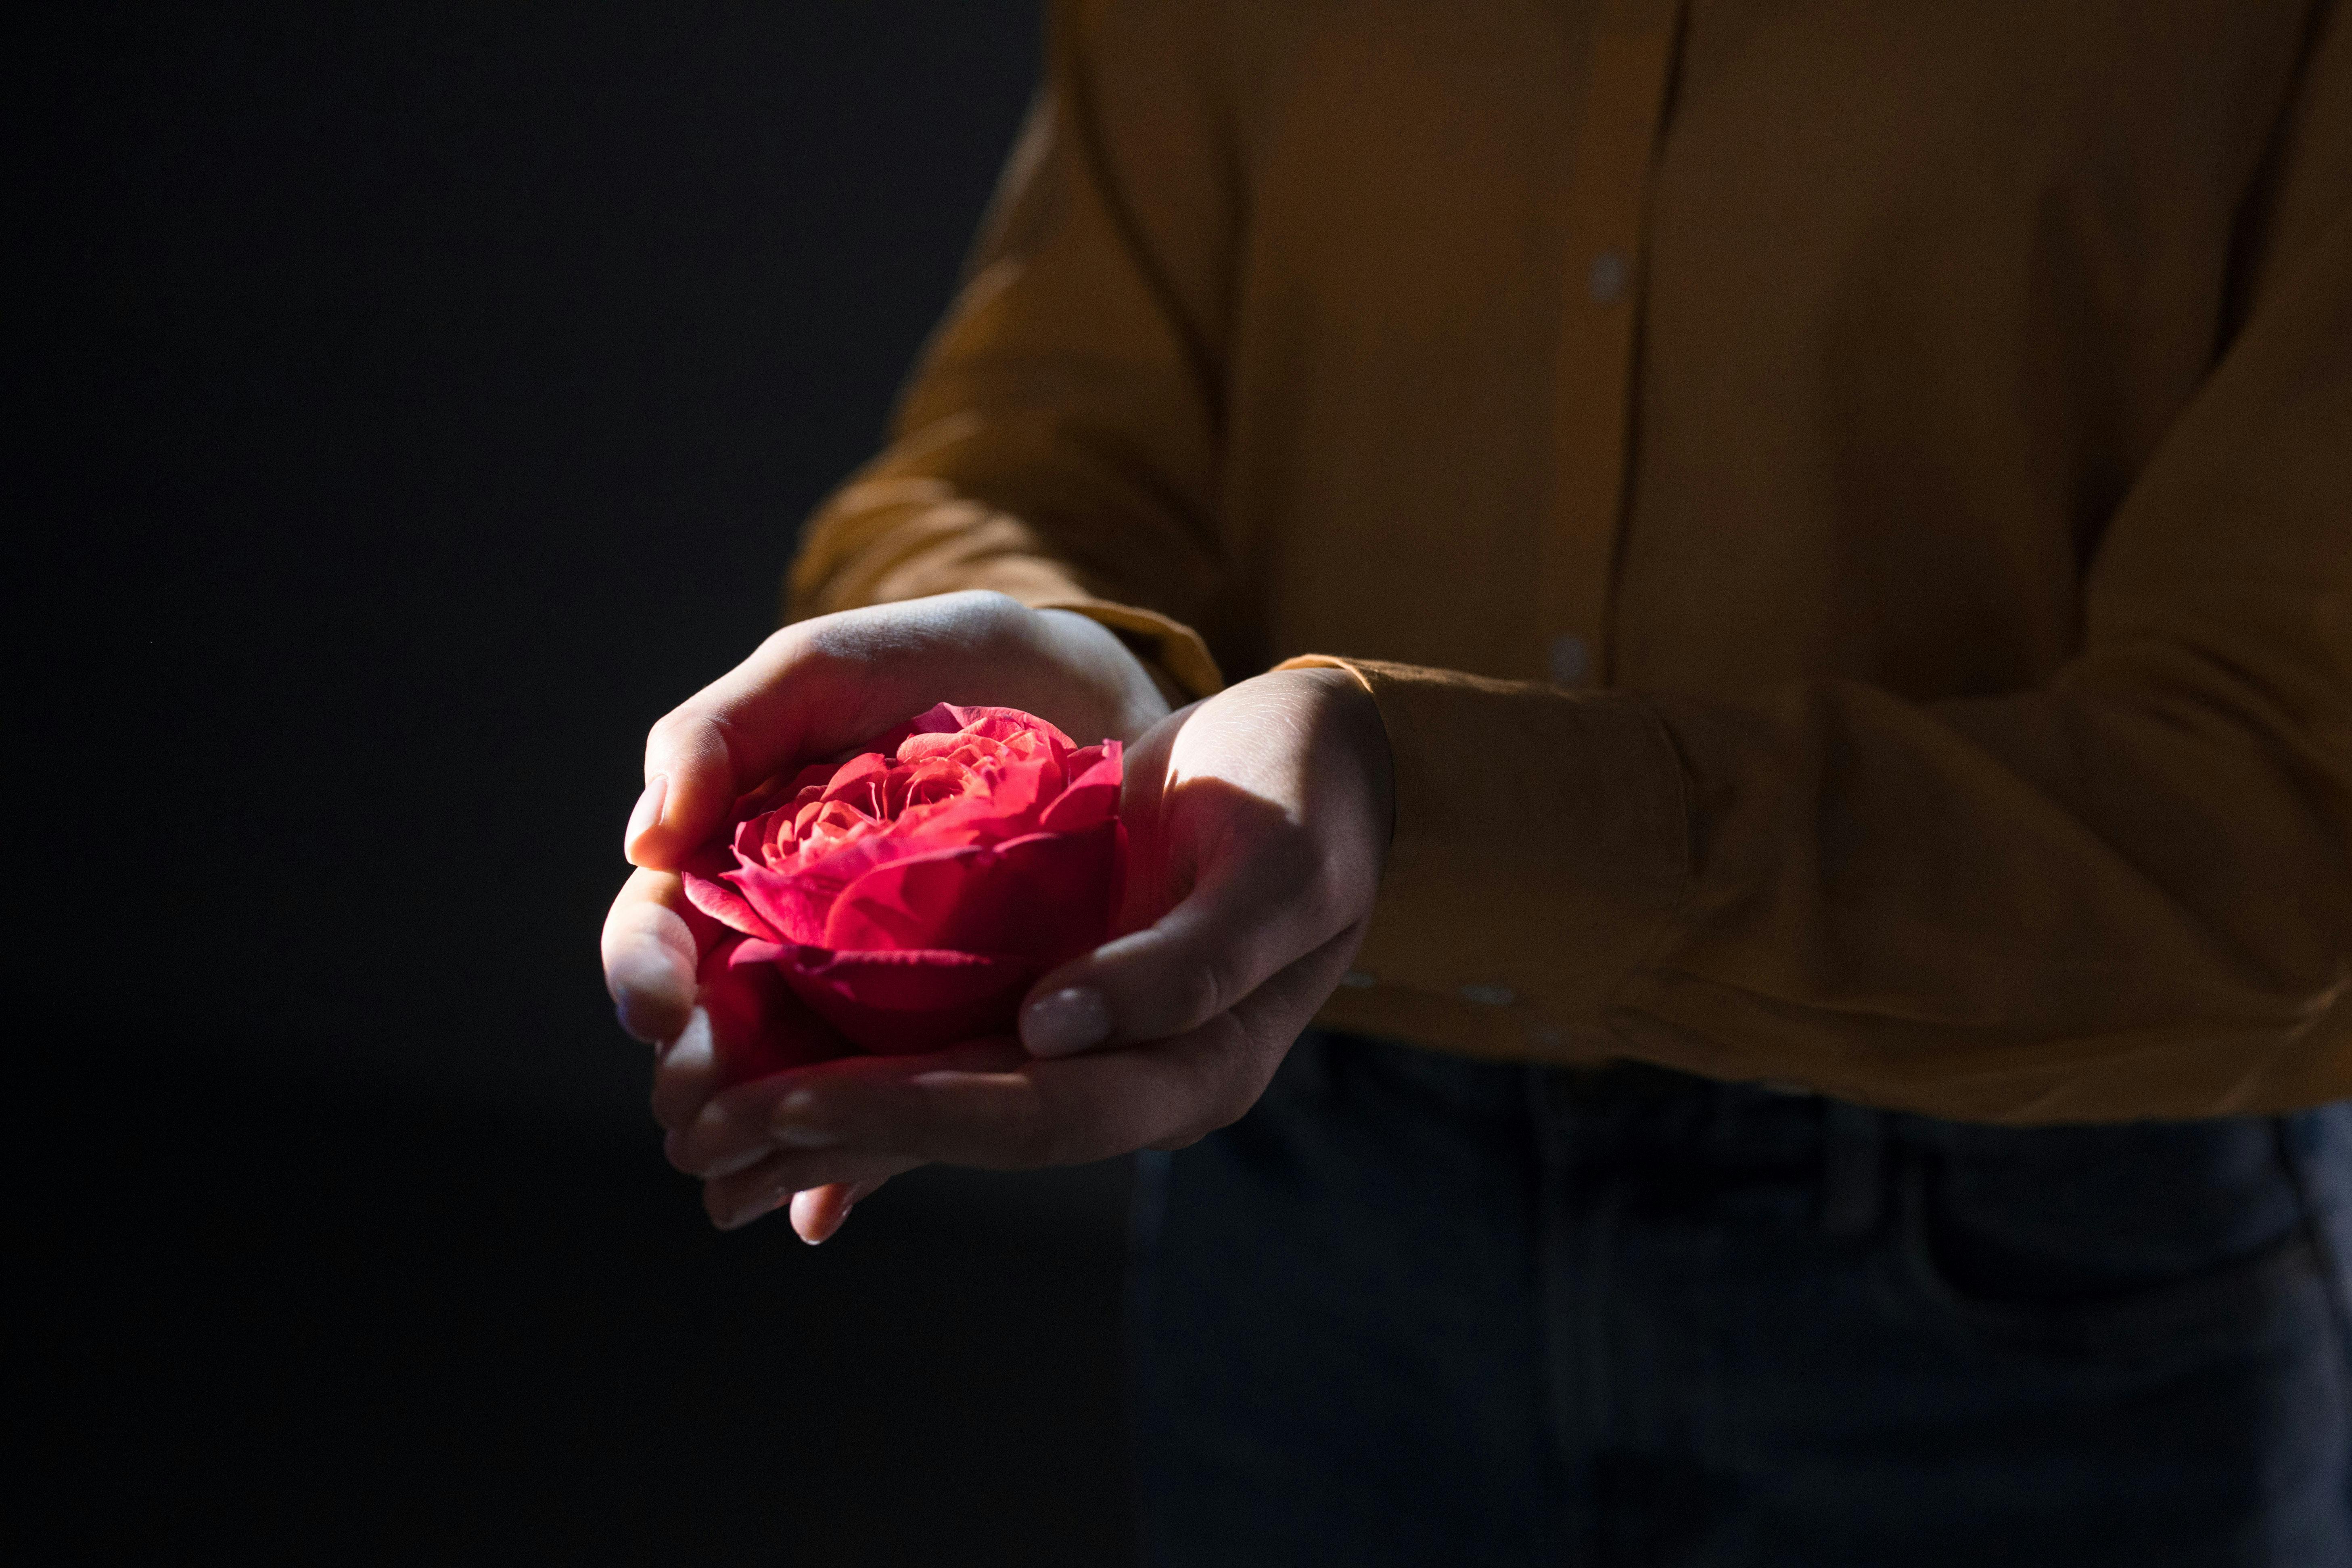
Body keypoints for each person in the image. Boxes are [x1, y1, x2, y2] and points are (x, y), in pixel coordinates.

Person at [602, 1, 2352, 1560]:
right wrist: (1066, 705)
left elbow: (2296, 799)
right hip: (1315, 1217)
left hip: (2048, 1272)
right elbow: (1042, 436)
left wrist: (1423, 803)